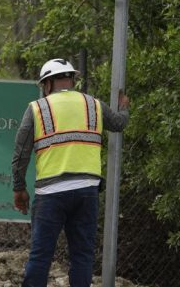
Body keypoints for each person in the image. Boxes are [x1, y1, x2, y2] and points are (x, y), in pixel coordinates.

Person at [12, 58, 129, 287]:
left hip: (51, 194)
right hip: (87, 192)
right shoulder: (93, 104)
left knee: (40, 255)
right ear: (72, 80)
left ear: (47, 84)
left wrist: (19, 188)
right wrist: (124, 107)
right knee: (82, 256)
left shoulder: (37, 108)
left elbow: (21, 153)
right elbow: (118, 124)